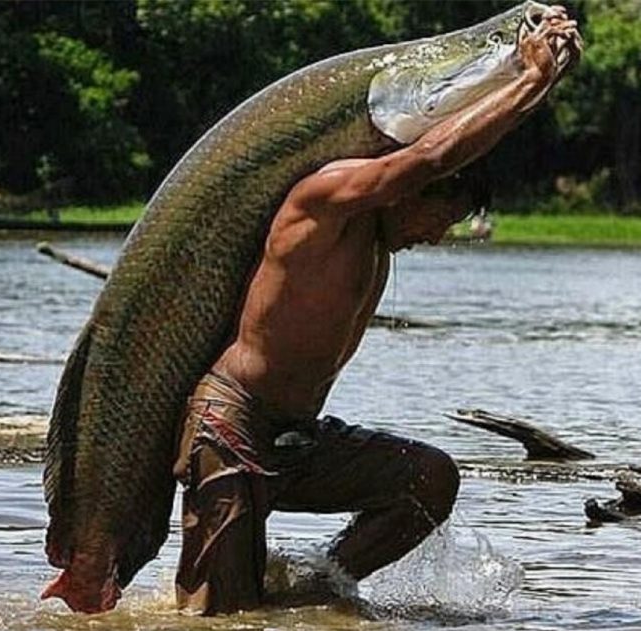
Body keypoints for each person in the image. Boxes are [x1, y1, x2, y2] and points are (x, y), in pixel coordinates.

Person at [173, 10, 579, 615]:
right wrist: (528, 80)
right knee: (217, 620)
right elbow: (430, 155)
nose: (436, 237)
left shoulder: (378, 249)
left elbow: (438, 158)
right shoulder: (325, 200)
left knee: (428, 480)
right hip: (233, 429)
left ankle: (315, 591)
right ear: (407, 192)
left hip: (298, 438)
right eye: (438, 220)